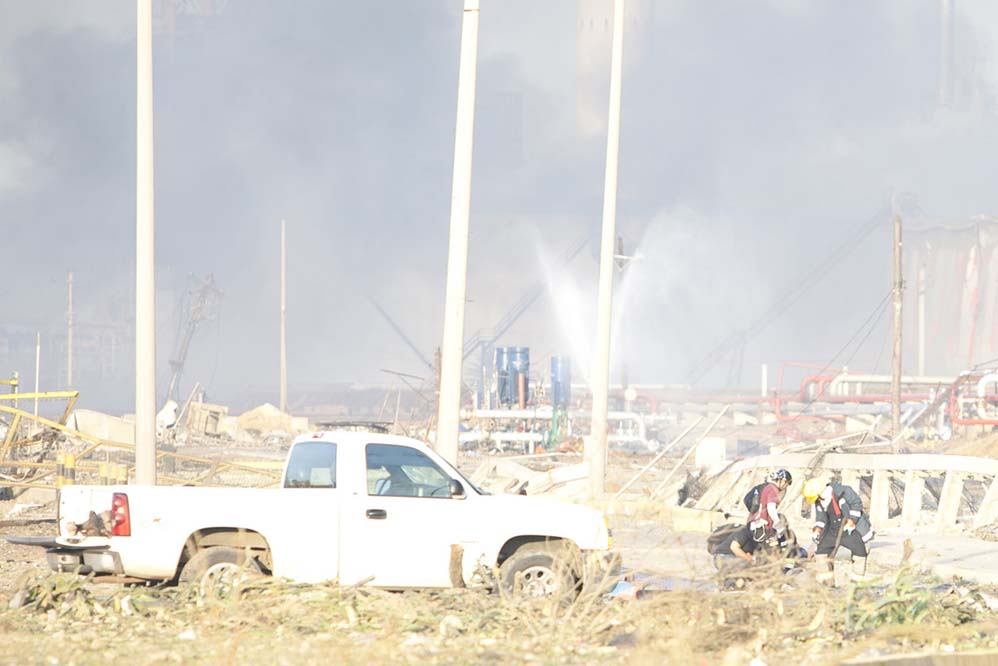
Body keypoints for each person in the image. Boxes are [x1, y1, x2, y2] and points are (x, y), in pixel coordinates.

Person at [802, 478, 875, 583]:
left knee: (860, 553)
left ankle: (855, 585)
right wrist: (817, 530)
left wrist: (852, 520)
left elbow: (857, 504)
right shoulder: (819, 501)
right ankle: (827, 584)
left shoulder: (844, 491)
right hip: (832, 530)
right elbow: (821, 518)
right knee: (821, 555)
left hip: (848, 529)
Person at [748, 469, 793, 538]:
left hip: (755, 523)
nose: (785, 487)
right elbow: (771, 509)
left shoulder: (768, 487)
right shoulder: (774, 490)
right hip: (762, 526)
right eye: (786, 484)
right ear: (782, 481)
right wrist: (779, 524)